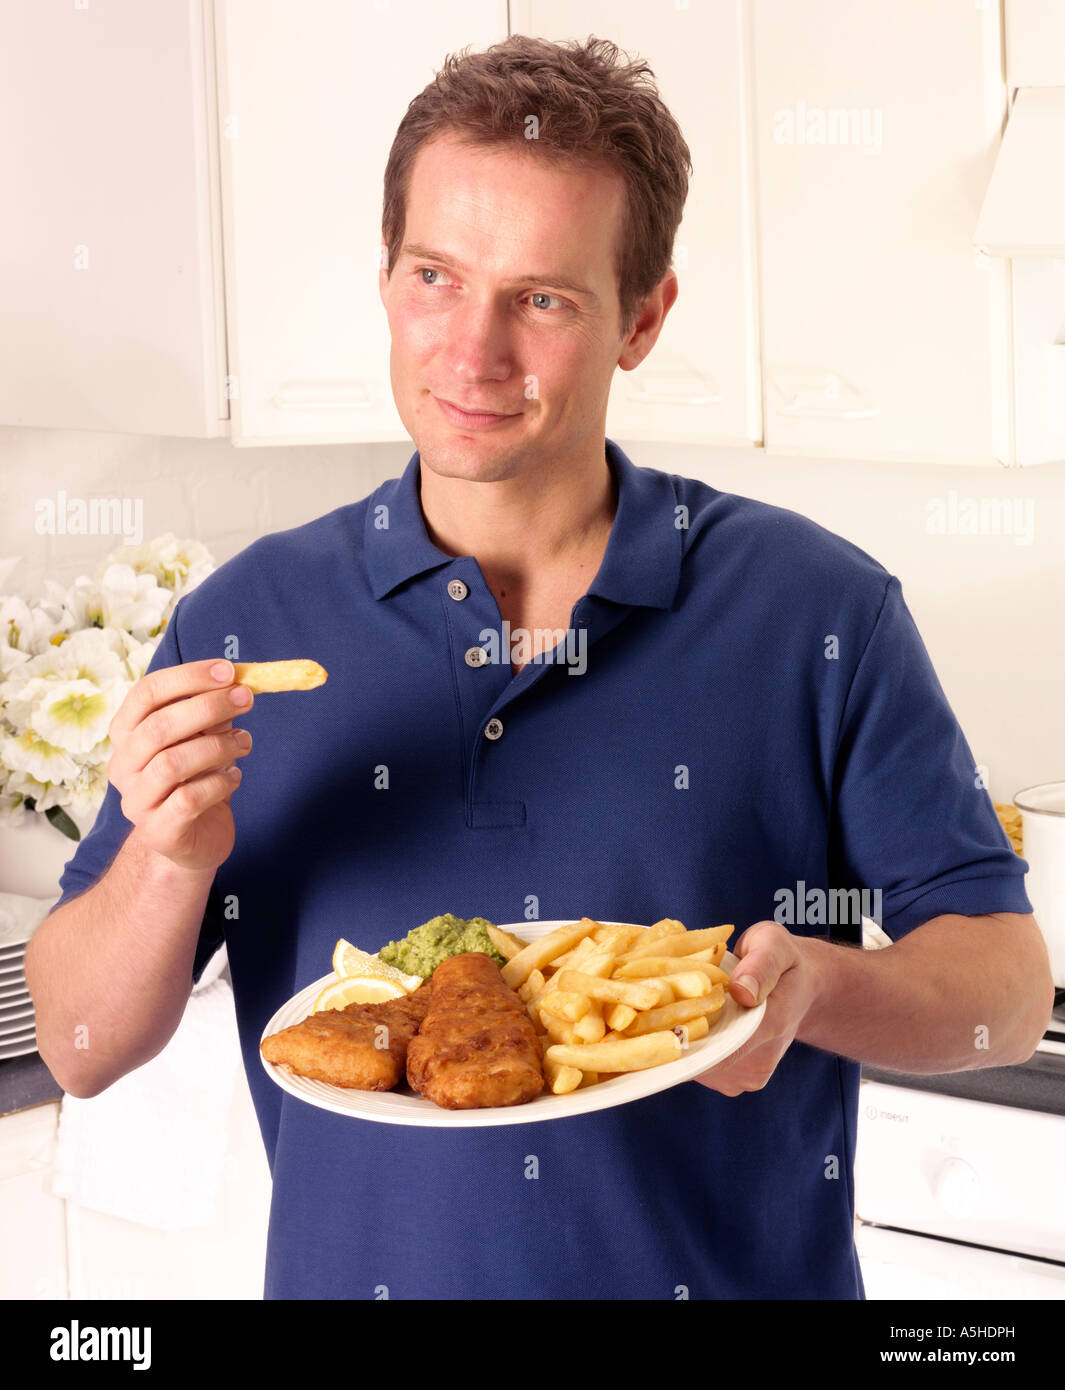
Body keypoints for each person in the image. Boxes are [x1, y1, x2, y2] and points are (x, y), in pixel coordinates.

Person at [27, 35, 1052, 1300]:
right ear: (385, 276)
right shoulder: (245, 624)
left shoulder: (818, 611)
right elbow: (80, 1045)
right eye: (436, 277)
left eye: (544, 299)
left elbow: (1008, 994)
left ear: (643, 318)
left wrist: (817, 988)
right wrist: (168, 859)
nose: (474, 353)